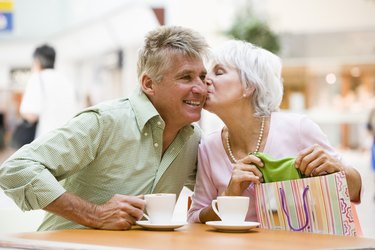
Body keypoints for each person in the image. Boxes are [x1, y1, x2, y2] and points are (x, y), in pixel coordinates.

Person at [0, 26, 209, 231]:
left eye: (202, 77)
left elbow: (219, 194)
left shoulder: (193, 139)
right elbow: (15, 169)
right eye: (185, 77)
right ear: (149, 84)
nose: (201, 88)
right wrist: (94, 214)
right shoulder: (105, 122)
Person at [187, 40, 362, 224]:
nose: (205, 80)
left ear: (249, 85)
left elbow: (356, 191)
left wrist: (337, 169)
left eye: (219, 72)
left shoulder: (299, 128)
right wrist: (227, 196)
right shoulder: (208, 147)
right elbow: (193, 218)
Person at [19, 44, 78, 139]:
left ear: (37, 61)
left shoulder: (37, 78)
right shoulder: (66, 80)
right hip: (68, 139)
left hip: (46, 141)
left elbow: (31, 115)